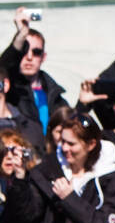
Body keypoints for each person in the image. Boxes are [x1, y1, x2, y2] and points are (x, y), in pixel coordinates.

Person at [0, 10, 66, 142]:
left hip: (48, 152)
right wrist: (21, 34)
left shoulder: (53, 91)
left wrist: (83, 104)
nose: (29, 57)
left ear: (43, 56)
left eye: (36, 52)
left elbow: (71, 128)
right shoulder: (11, 88)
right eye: (24, 51)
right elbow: (3, 66)